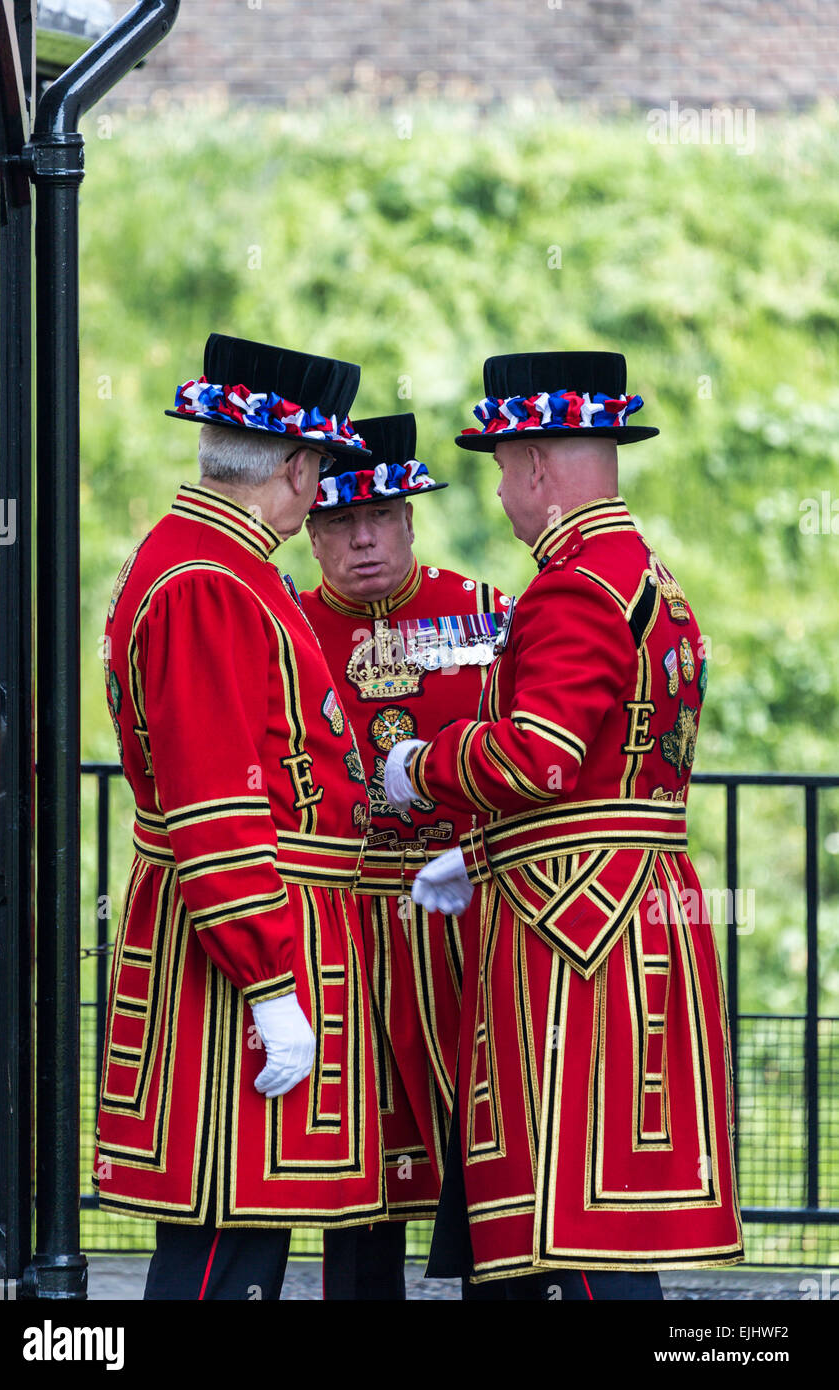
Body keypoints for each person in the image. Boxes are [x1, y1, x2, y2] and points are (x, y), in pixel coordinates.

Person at [385, 350, 744, 1299]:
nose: (503, 494)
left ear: (538, 463)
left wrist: (422, 767)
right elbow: (603, 775)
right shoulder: (652, 578)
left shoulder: (575, 585)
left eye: (504, 469)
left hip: (572, 927)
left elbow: (539, 757)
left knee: (561, 1222)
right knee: (596, 1215)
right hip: (633, 902)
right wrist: (479, 853)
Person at [93, 334, 386, 1300]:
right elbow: (214, 802)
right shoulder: (209, 580)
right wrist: (268, 980)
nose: (321, 492)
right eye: (322, 471)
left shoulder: (212, 560)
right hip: (241, 939)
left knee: (244, 1233)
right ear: (296, 468)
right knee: (226, 1237)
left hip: (254, 926)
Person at [302, 412, 508, 1299]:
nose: (364, 540)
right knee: (357, 1158)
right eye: (341, 521)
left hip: (466, 917)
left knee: (492, 1144)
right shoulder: (289, 625)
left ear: (411, 519)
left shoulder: (483, 615)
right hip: (344, 924)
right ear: (309, 531)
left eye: (380, 517)